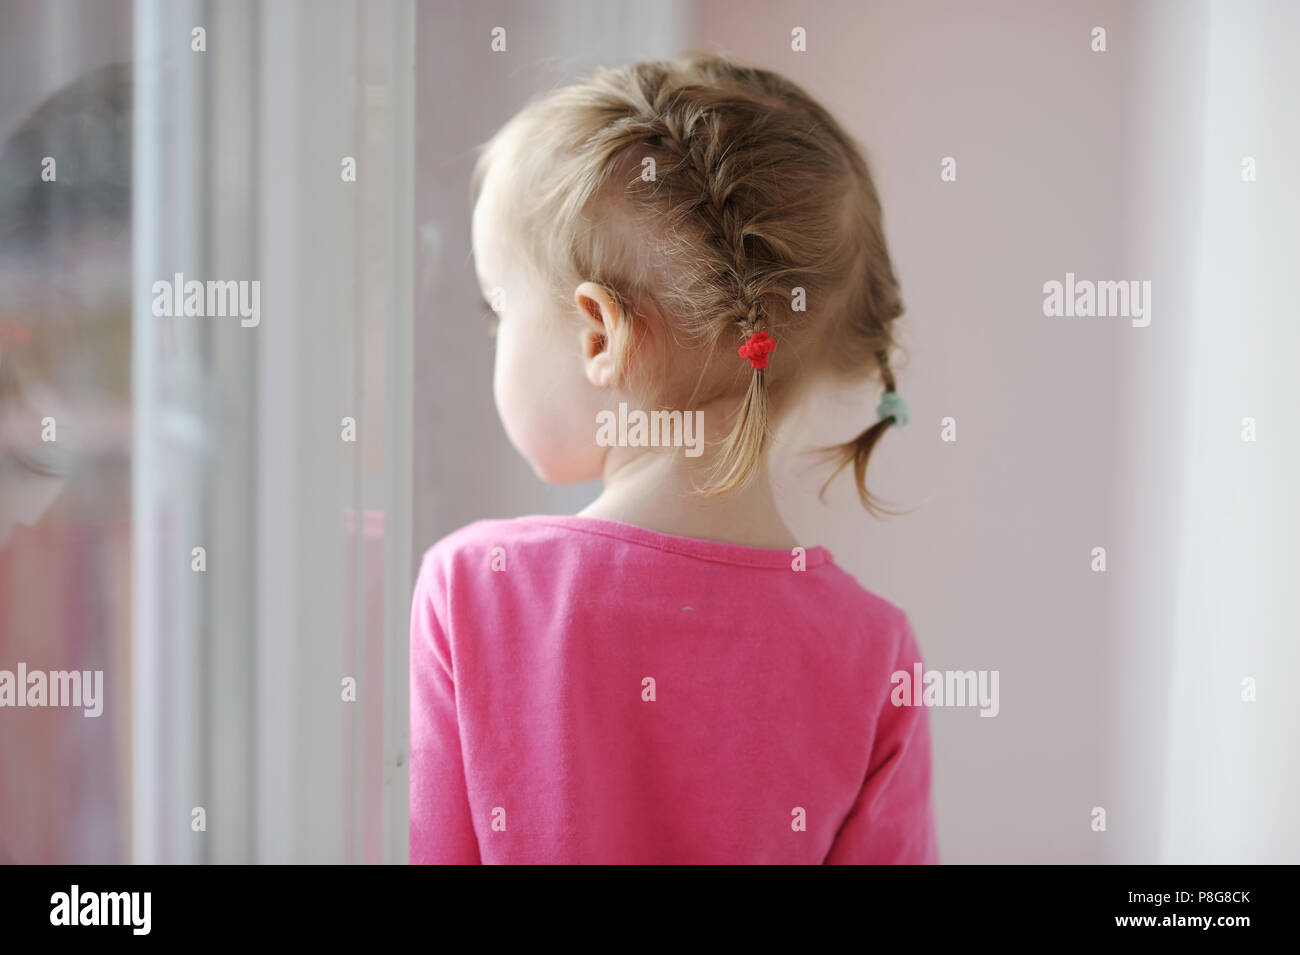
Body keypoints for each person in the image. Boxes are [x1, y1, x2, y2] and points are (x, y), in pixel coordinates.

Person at [409, 53, 938, 864]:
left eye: (498, 309)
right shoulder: (873, 650)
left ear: (600, 333)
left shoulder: (476, 589)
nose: (492, 334)